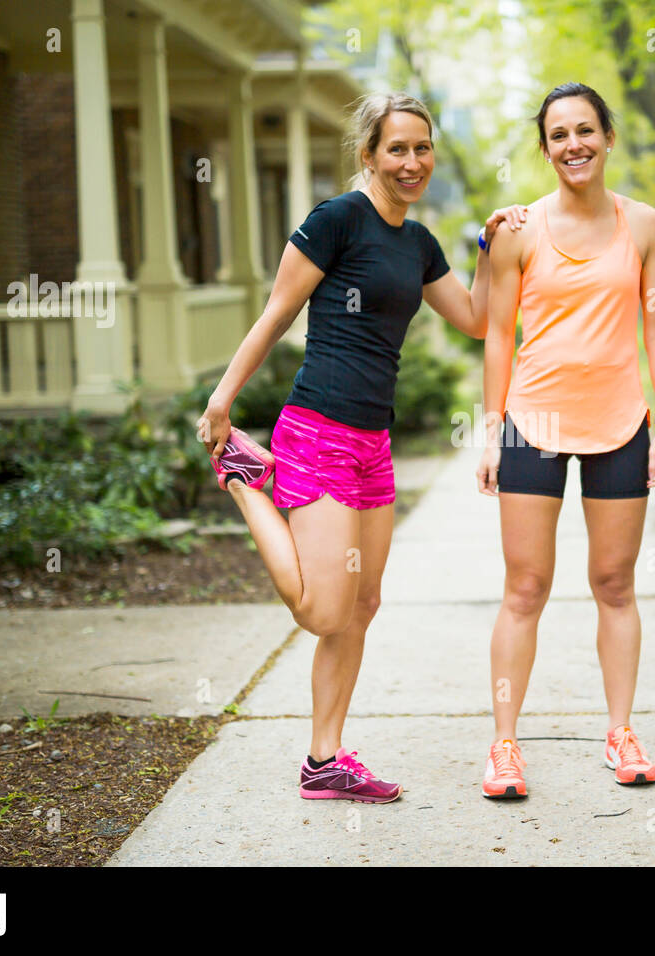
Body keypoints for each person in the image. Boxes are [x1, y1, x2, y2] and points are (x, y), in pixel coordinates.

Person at [198, 92, 524, 803]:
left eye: (422, 148)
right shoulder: (337, 220)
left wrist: (489, 250)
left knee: (362, 604)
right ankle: (243, 478)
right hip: (316, 429)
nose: (413, 162)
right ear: (368, 154)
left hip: (373, 443)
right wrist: (224, 399)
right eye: (397, 148)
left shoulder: (419, 241)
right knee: (320, 610)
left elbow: (473, 318)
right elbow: (277, 312)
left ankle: (325, 760)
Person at [476, 83, 655, 799]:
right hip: (534, 421)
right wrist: (489, 431)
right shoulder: (516, 230)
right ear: (545, 148)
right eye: (559, 134)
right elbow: (497, 333)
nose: (574, 144)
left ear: (607, 137)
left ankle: (620, 732)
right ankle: (504, 745)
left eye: (585, 130)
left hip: (620, 422)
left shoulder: (645, 225)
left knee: (615, 584)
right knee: (525, 587)